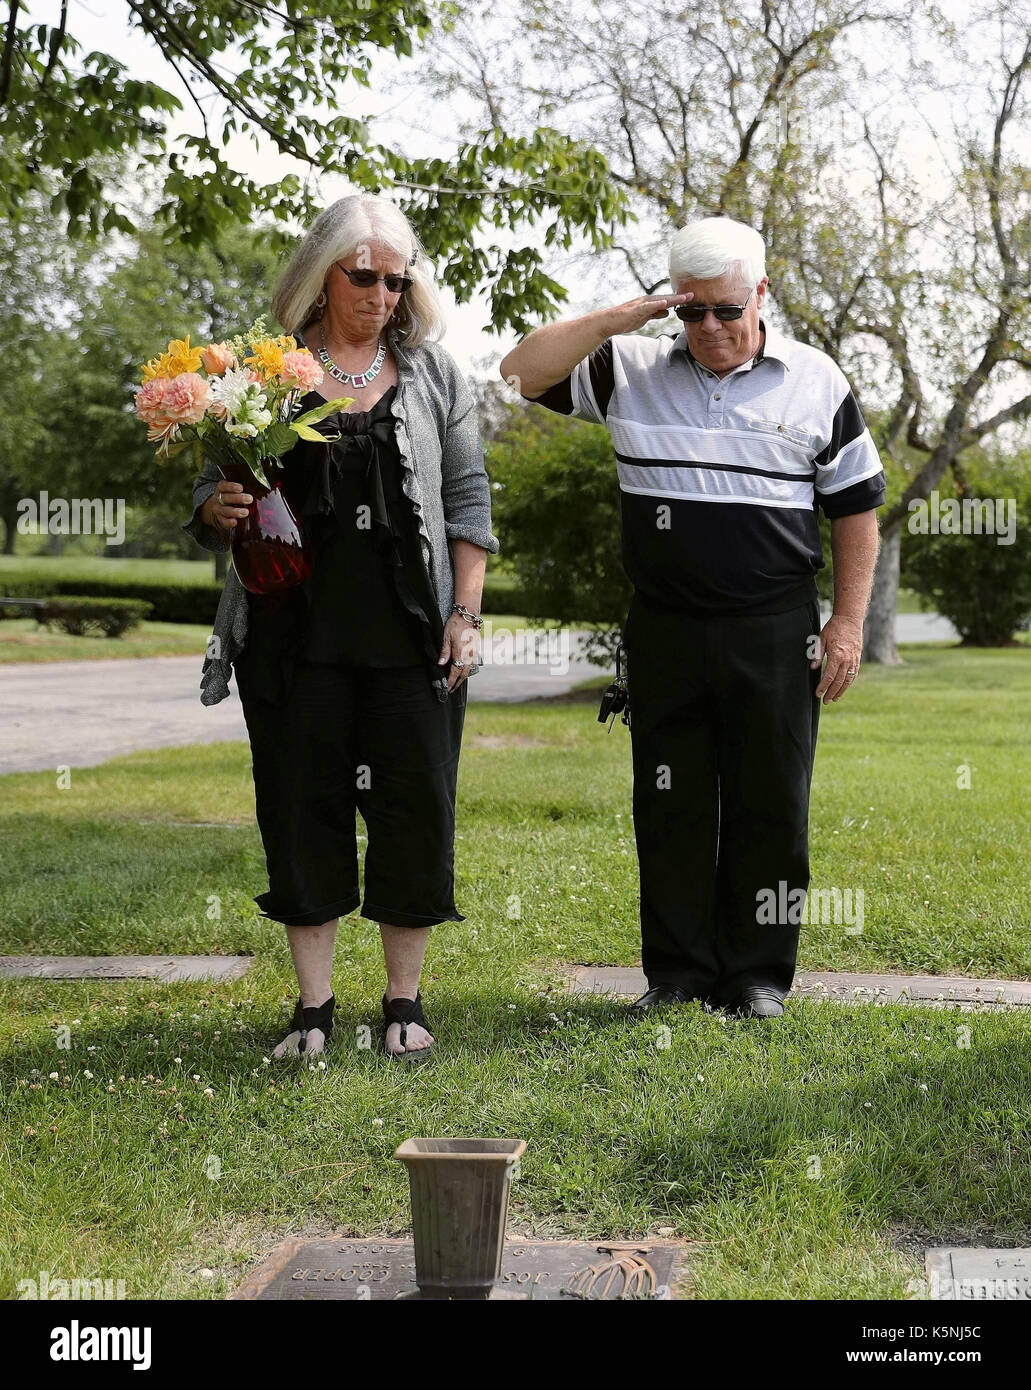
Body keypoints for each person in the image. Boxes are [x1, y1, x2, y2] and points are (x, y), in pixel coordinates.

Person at [501, 216, 883, 1020]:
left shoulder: (816, 379)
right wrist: (617, 320)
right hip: (665, 628)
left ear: (762, 295)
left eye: (726, 309)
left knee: (769, 803)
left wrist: (845, 623)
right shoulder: (630, 367)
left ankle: (755, 977)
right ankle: (674, 975)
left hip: (774, 629)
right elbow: (520, 371)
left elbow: (854, 509)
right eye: (691, 311)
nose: (709, 327)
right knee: (668, 801)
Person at [183, 194, 498, 1058]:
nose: (382, 294)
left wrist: (465, 616)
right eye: (365, 276)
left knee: (414, 813)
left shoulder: (435, 374)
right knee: (299, 809)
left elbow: (469, 501)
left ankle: (404, 1003)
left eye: (397, 281)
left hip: (412, 643)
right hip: (292, 643)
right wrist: (217, 503)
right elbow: (212, 488)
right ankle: (314, 1009)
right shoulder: (263, 373)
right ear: (321, 273)